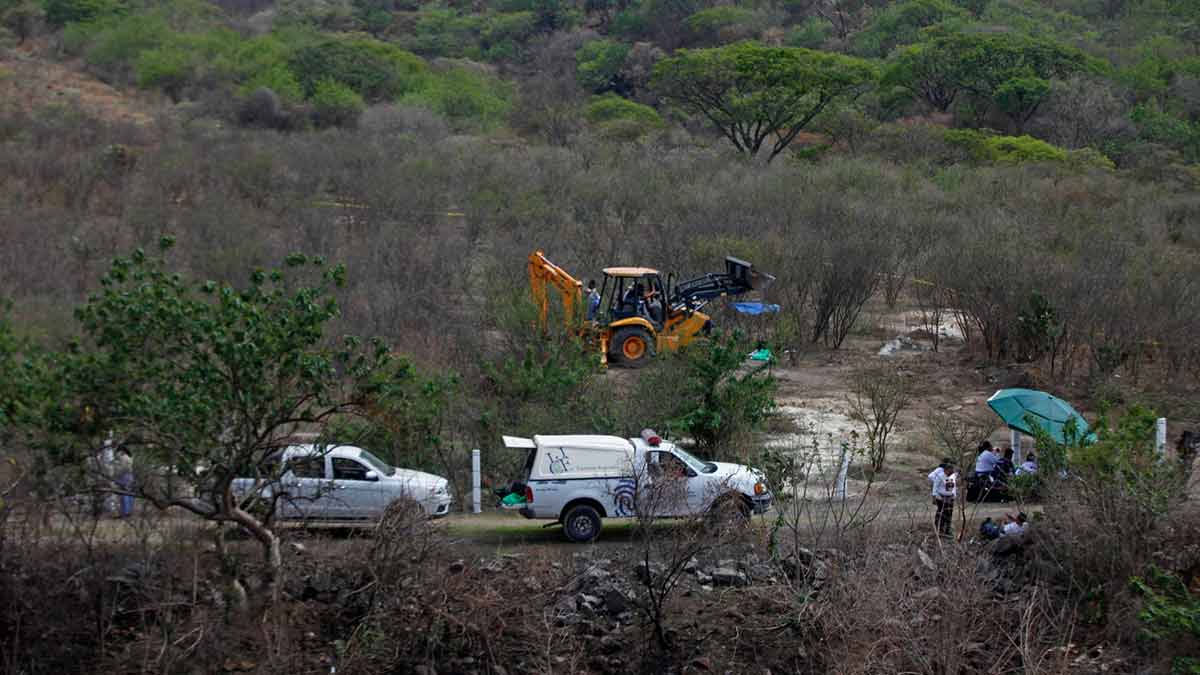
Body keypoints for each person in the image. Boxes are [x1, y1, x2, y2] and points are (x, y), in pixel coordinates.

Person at [928, 459, 956, 536]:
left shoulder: (953, 476)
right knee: (941, 513)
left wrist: (954, 495)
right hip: (941, 497)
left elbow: (953, 486)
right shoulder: (940, 476)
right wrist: (934, 497)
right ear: (945, 470)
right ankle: (939, 528)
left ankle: (947, 529)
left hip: (950, 497)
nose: (951, 471)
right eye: (949, 470)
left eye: (952, 470)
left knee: (949, 513)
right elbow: (935, 487)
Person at [113, 446, 134, 518]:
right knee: (129, 494)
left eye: (117, 452)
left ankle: (125, 512)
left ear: (121, 451)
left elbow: (123, 468)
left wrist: (116, 475)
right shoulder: (129, 457)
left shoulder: (123, 458)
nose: (117, 454)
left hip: (124, 477)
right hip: (130, 476)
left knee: (124, 494)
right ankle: (129, 511)